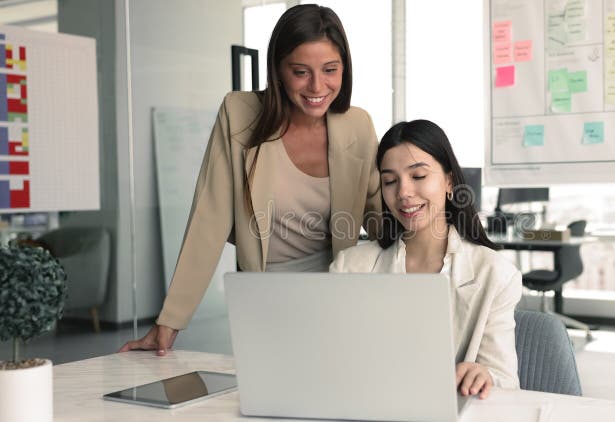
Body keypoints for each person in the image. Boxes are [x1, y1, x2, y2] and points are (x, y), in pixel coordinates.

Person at [120, 4, 381, 356]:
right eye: (300, 71)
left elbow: (381, 218)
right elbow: (207, 220)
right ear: (277, 70)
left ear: (344, 69)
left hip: (339, 292)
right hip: (265, 292)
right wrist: (170, 321)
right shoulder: (239, 113)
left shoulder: (357, 124)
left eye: (330, 70)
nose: (317, 86)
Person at [329, 120, 522, 399]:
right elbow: (333, 361)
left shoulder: (495, 275)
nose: (404, 193)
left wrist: (485, 375)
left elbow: (504, 380)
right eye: (390, 181)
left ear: (449, 181)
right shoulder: (349, 268)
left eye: (418, 176)